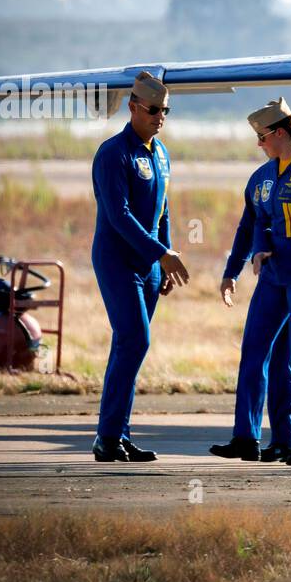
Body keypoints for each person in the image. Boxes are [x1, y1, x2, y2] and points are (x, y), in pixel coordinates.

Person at [208, 98, 291, 465]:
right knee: (254, 354)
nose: (259, 144)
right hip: (272, 279)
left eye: (262, 137)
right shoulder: (262, 177)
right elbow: (249, 225)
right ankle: (246, 437)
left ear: (280, 133)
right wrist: (232, 271)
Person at [90, 70, 190, 462]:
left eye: (165, 110)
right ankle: (108, 436)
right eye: (153, 109)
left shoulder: (160, 153)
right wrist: (159, 254)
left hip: (149, 263)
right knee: (136, 340)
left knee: (129, 346)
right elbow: (119, 215)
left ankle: (117, 433)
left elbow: (163, 209)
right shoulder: (113, 153)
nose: (160, 116)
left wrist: (164, 256)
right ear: (132, 107)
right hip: (118, 260)